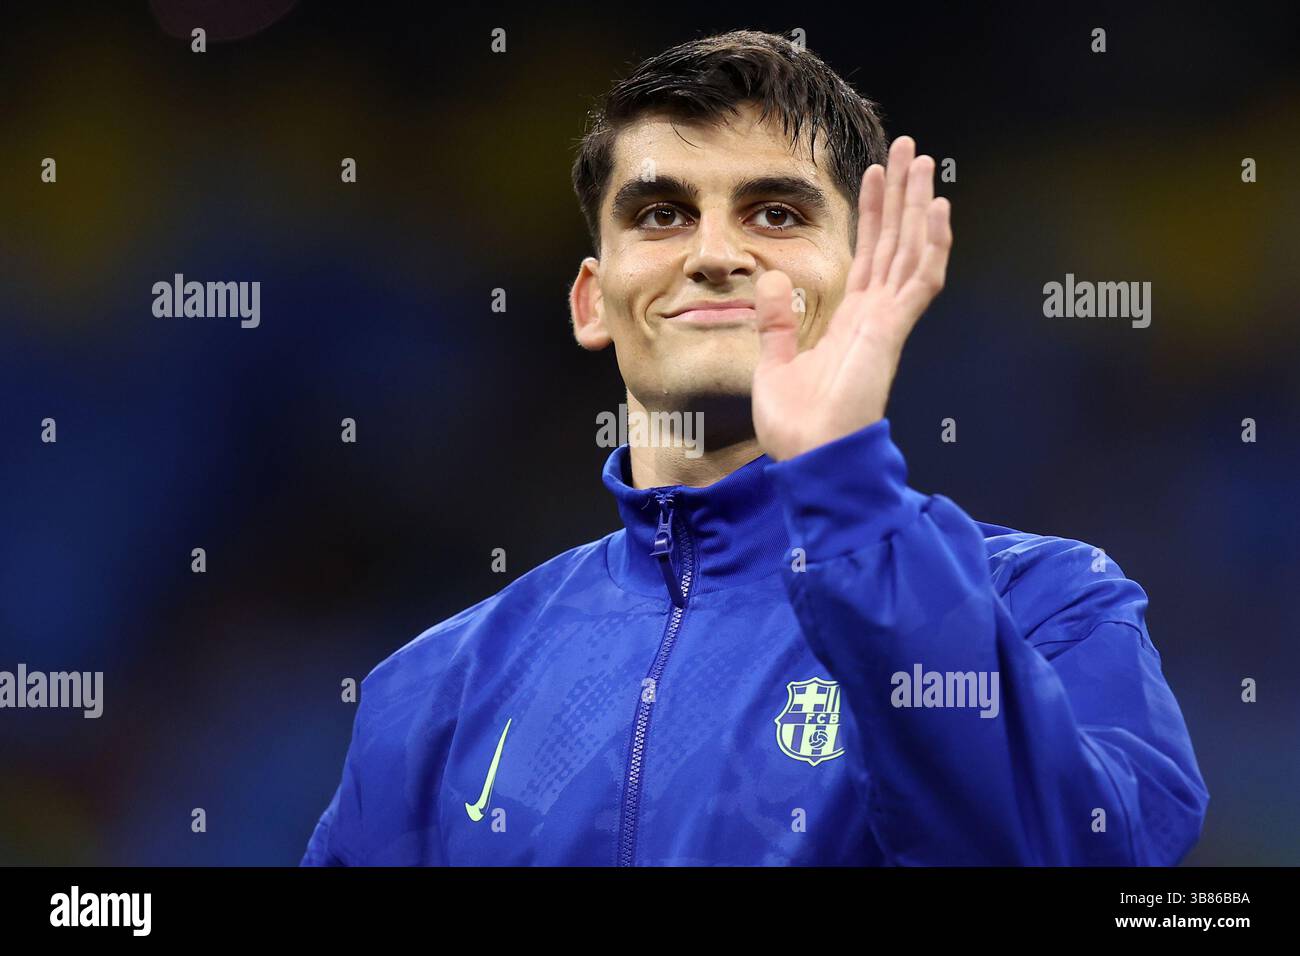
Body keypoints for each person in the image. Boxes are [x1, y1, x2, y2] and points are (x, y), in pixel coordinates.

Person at [301, 29, 1208, 866]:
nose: (715, 255)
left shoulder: (1049, 607)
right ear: (590, 300)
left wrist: (844, 482)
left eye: (775, 214)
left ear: (861, 284)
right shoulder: (431, 692)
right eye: (660, 214)